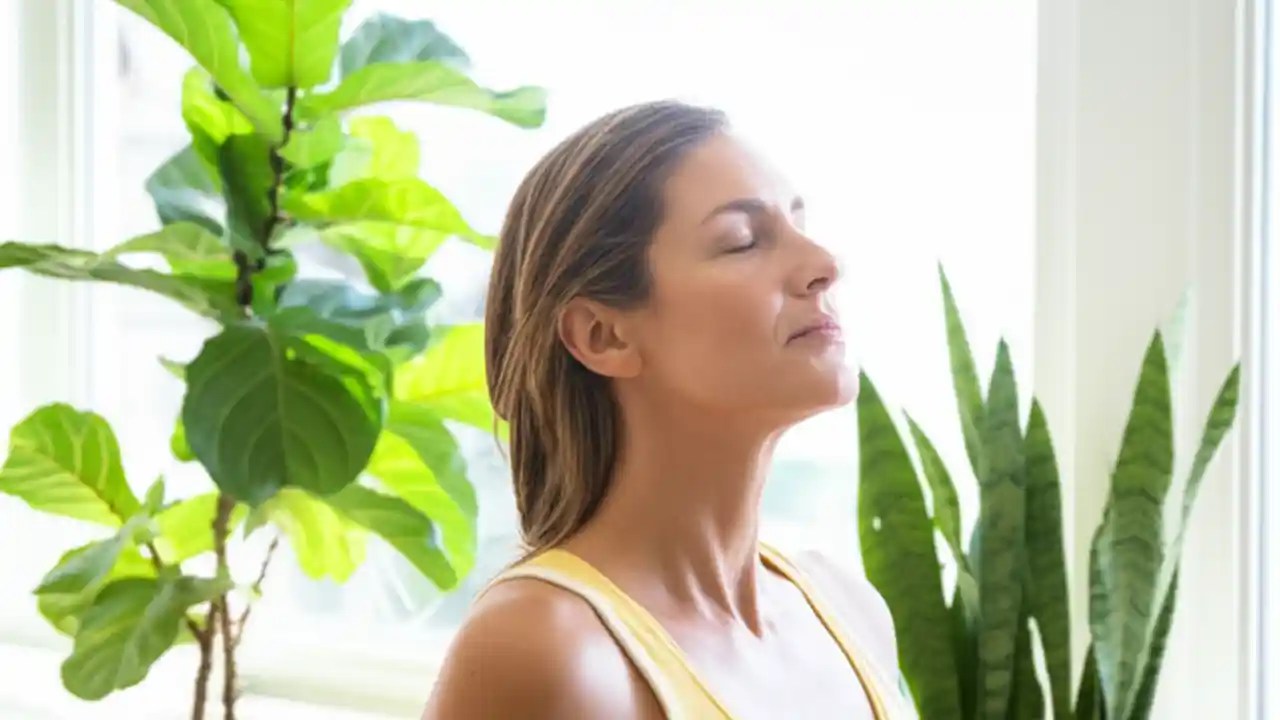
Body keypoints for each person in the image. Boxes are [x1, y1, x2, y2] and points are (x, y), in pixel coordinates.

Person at [423, 100, 910, 719]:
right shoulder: (545, 647)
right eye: (741, 242)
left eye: (798, 223)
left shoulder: (848, 610)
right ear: (603, 336)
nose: (824, 265)